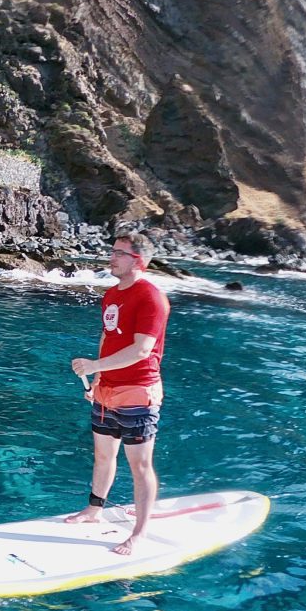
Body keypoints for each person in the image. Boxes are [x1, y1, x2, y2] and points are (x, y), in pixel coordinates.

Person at [65, 232, 171, 555]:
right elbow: (107, 336)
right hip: (106, 391)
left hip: (138, 392)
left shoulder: (152, 298)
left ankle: (139, 533)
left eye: (119, 253)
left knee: (140, 465)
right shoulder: (111, 295)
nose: (111, 258)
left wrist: (95, 363)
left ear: (139, 261)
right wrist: (97, 377)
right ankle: (94, 509)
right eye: (112, 251)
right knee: (103, 455)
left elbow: (142, 350)